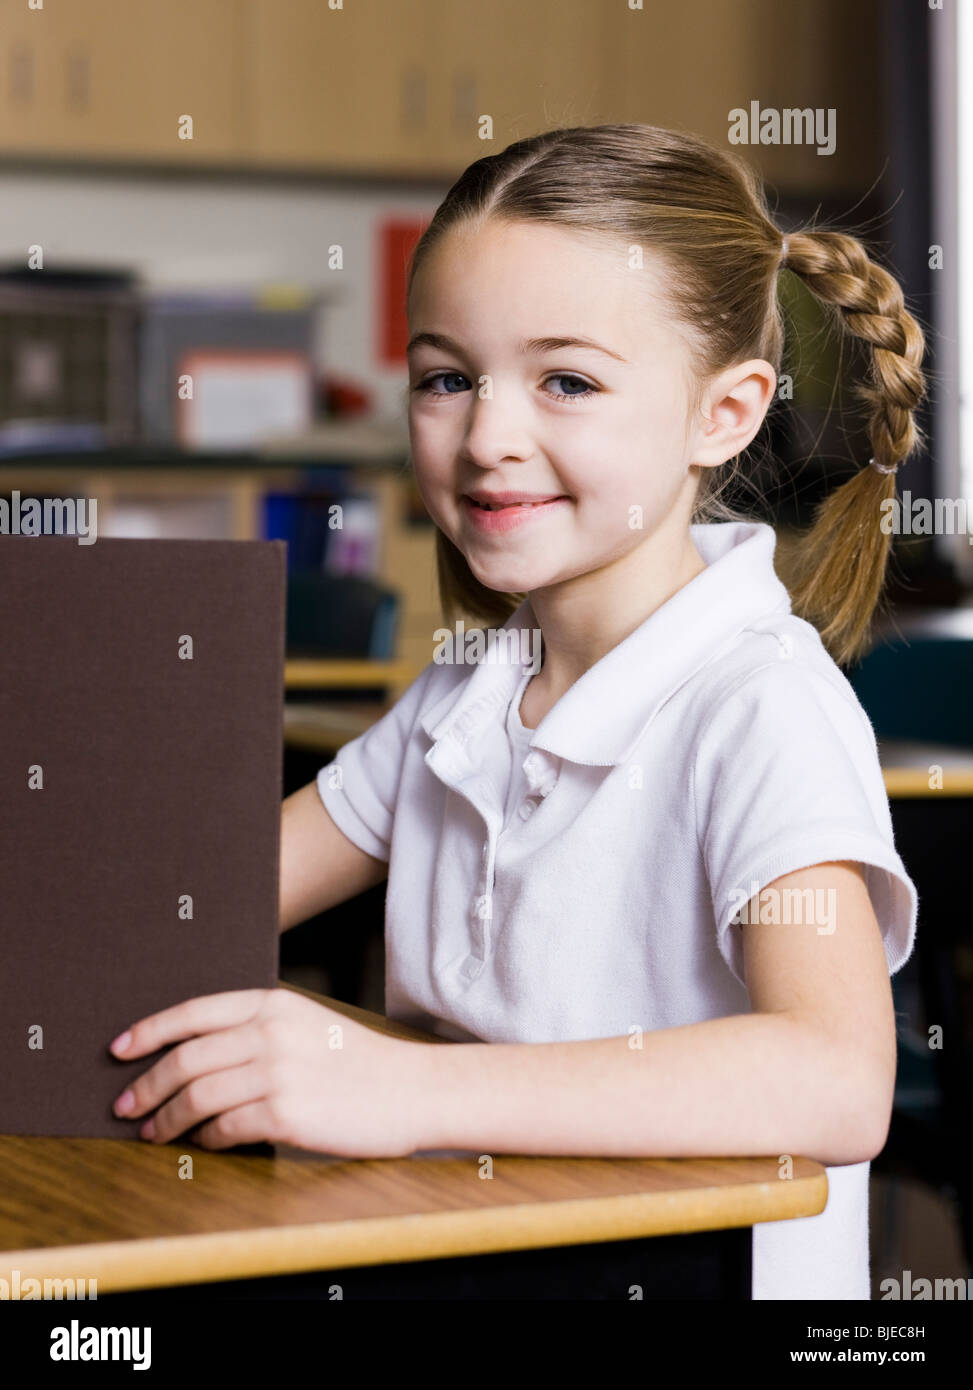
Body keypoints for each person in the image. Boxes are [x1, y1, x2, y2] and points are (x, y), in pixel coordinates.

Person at [109, 125, 926, 1301]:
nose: (488, 436)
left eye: (569, 381)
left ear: (726, 413)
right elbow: (196, 903)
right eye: (447, 377)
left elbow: (839, 1080)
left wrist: (401, 1090)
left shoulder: (761, 705)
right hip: (476, 1254)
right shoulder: (469, 693)